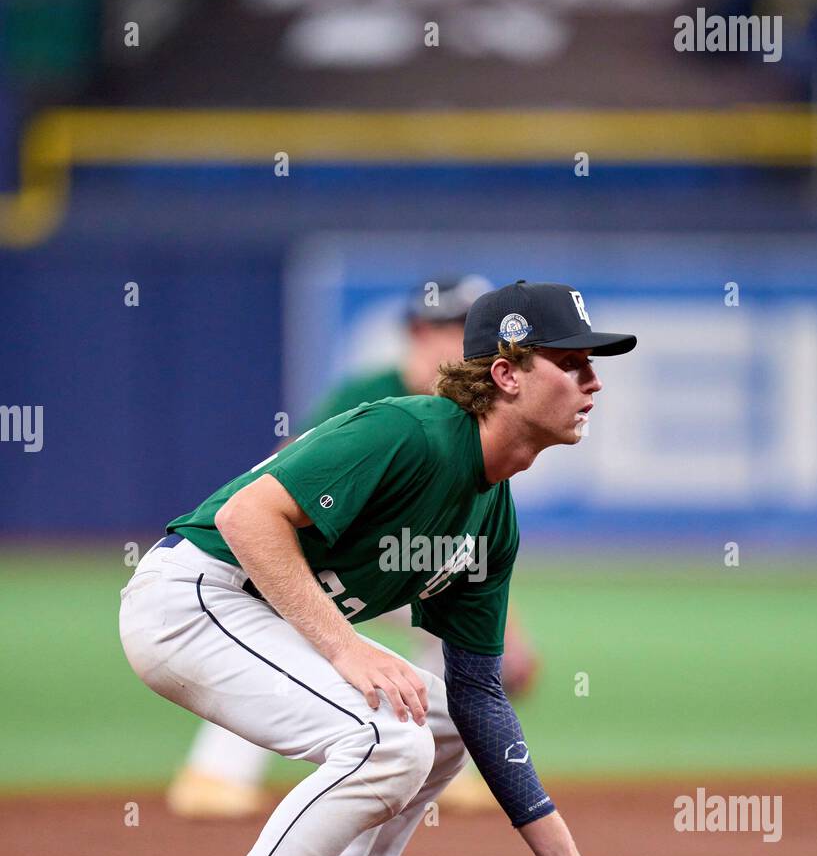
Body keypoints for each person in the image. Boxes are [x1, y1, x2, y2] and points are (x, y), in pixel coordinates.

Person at [119, 280, 636, 856]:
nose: (593, 382)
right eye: (573, 362)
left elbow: (476, 695)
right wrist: (345, 645)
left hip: (255, 613)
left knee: (437, 722)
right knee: (381, 740)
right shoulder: (410, 432)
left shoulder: (490, 514)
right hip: (191, 597)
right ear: (506, 373)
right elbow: (245, 516)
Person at [166, 274, 538, 818]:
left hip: (397, 564)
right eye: (448, 327)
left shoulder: (475, 413)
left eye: (468, 329)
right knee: (280, 632)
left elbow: (463, 545)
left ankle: (438, 755)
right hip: (320, 559)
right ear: (417, 331)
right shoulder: (370, 396)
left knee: (458, 639)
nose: (460, 341)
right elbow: (280, 473)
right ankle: (214, 772)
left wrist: (507, 627)